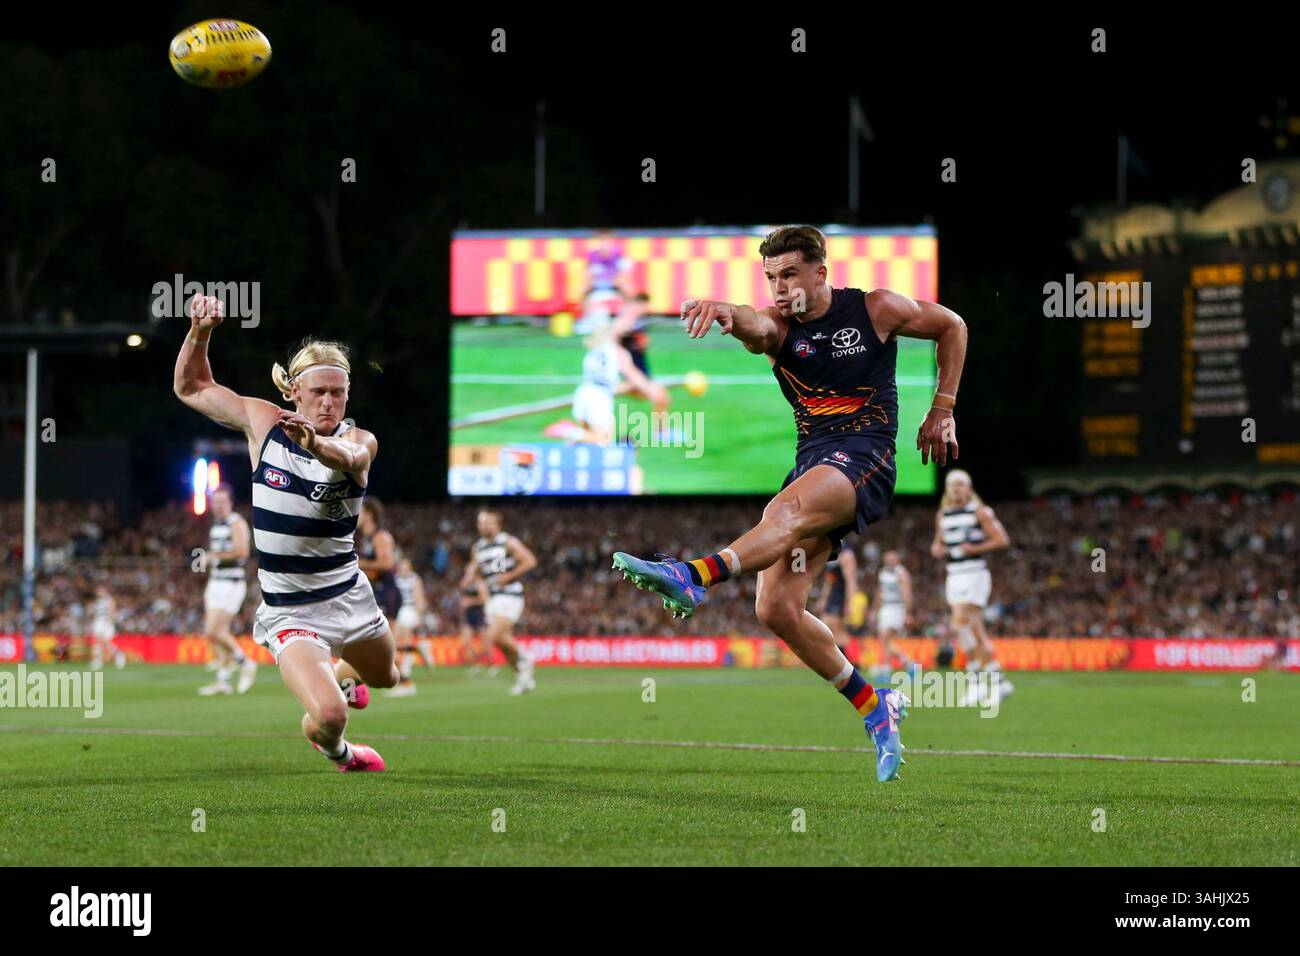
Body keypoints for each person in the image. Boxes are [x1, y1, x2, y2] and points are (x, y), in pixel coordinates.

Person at [610, 225, 967, 782]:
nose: (780, 288)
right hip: (813, 464)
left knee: (783, 514)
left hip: (865, 457)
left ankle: (693, 574)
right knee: (775, 608)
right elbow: (754, 325)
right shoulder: (778, 327)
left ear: (820, 272)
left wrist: (942, 405)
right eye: (771, 278)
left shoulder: (876, 310)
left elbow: (952, 325)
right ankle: (877, 707)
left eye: (790, 274)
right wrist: (728, 312)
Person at [173, 293, 398, 772]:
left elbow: (353, 460)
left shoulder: (358, 440)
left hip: (349, 594)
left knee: (388, 678)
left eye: (338, 392)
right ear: (293, 391)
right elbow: (191, 387)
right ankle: (340, 751)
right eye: (318, 392)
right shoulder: (264, 422)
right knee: (331, 716)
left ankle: (343, 676)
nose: (328, 401)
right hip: (290, 608)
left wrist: (317, 444)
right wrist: (200, 331)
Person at [930, 469, 1013, 705]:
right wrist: (937, 550)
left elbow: (1001, 539)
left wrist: (973, 549)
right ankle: (999, 683)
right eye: (952, 485)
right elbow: (937, 545)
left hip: (974, 574)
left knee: (959, 625)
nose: (956, 489)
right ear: (947, 489)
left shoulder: (980, 511)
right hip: (953, 575)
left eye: (960, 485)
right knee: (976, 632)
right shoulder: (942, 514)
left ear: (968, 488)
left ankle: (976, 681)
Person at [462, 510, 538, 695]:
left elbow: (530, 561)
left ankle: (524, 657)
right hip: (493, 598)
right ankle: (523, 677)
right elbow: (478, 573)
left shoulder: (508, 541)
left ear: (498, 524)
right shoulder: (477, 547)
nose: (485, 525)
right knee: (502, 641)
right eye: (482, 522)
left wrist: (508, 576)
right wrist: (470, 578)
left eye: (489, 522)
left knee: (492, 636)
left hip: (510, 596)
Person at [197, 484, 258, 696]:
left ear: (230, 503)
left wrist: (213, 556)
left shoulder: (236, 523)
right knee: (217, 633)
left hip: (231, 584)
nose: (218, 506)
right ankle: (223, 682)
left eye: (222, 501)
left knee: (213, 631)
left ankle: (245, 662)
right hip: (216, 583)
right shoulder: (216, 525)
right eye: (215, 502)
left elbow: (242, 552)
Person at [389, 555, 434, 696]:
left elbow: (419, 597)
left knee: (399, 641)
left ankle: (406, 675)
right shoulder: (395, 579)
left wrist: (420, 615)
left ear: (410, 568)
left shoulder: (414, 579)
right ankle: (419, 649)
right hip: (399, 611)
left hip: (410, 610)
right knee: (396, 643)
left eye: (406, 566)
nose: (403, 568)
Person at [871, 550, 919, 679]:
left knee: (886, 637)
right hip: (885, 607)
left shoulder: (901, 573)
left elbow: (907, 593)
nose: (890, 561)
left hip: (897, 607)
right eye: (888, 559)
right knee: (884, 640)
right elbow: (880, 592)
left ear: (897, 560)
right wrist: (875, 609)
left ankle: (886, 670)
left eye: (892, 559)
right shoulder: (883, 573)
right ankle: (908, 663)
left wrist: (908, 613)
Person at [88, 583, 125, 671]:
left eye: (100, 590)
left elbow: (112, 611)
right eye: (98, 591)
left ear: (105, 591)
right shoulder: (97, 601)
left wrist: (110, 622)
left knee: (106, 642)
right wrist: (90, 611)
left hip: (106, 622)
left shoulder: (109, 600)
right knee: (97, 641)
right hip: (98, 621)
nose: (98, 592)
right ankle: (97, 661)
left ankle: (118, 655)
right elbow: (94, 613)